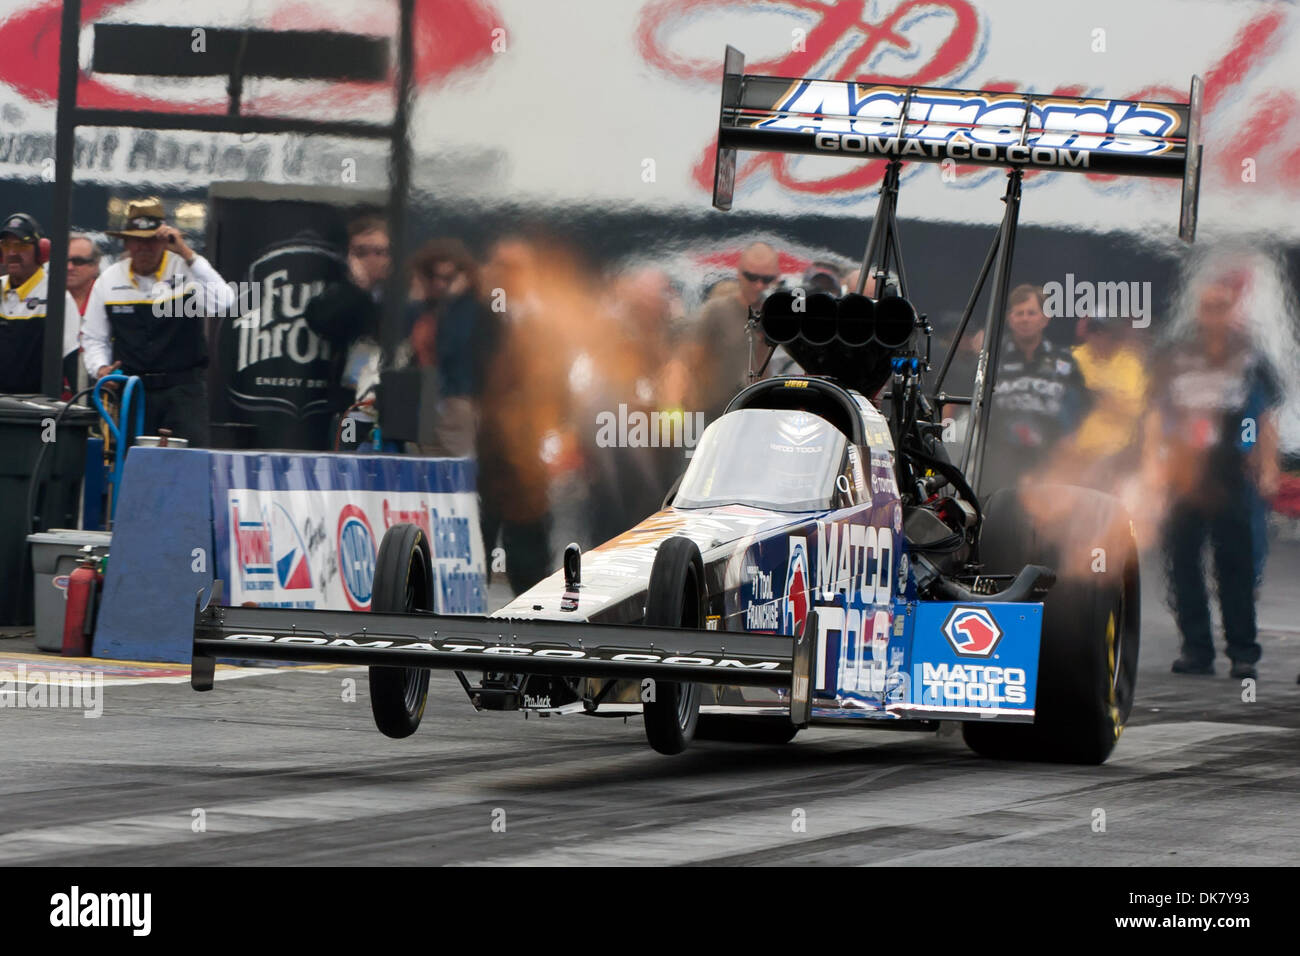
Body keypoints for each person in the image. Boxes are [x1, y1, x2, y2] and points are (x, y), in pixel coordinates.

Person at [1143, 273, 1282, 679]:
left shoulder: (1250, 356)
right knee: (1182, 563)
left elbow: (1265, 416)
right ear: (1198, 312)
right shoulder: (1175, 353)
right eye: (1208, 307)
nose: (1214, 314)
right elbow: (1155, 412)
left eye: (1222, 307)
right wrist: (1154, 463)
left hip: (1229, 471)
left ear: (1232, 312)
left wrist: (1268, 463)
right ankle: (1196, 650)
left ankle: (1243, 653)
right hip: (1184, 473)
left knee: (1235, 565)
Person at [81, 199, 232, 445]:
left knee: (188, 466)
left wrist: (187, 253)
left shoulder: (186, 270)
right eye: (137, 240)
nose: (144, 247)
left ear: (165, 241)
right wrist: (100, 369)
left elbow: (225, 302)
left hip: (184, 390)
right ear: (126, 242)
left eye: (152, 240)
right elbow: (93, 337)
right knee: (132, 466)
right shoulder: (109, 280)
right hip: (133, 389)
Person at [981, 283, 1090, 492]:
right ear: (1009, 319)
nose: (1024, 319)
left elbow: (1079, 413)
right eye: (1019, 313)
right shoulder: (991, 359)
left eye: (1031, 313)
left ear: (1045, 318)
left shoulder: (1065, 363)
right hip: (997, 466)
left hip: (1050, 465)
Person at [304, 214, 390, 444]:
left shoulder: (406, 293)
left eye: (380, 252)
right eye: (362, 252)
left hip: (394, 404)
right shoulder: (342, 293)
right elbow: (319, 320)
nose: (371, 259)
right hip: (351, 404)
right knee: (346, 467)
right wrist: (358, 287)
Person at [406, 238, 494, 457]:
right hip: (423, 395)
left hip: (454, 397)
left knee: (455, 467)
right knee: (421, 465)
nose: (440, 284)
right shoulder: (425, 309)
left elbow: (451, 344)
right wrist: (415, 299)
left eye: (448, 278)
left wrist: (454, 299)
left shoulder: (469, 309)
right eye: (434, 276)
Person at [684, 241, 780, 421]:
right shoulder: (717, 310)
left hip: (755, 415)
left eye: (766, 279)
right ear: (739, 273)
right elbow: (692, 360)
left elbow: (768, 374)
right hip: (712, 415)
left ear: (775, 277)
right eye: (751, 277)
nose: (759, 285)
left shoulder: (776, 317)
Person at [0, 212, 79, 395]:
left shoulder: (58, 299)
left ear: (41, 252)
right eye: (6, 245)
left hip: (39, 413)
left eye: (21, 245)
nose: (12, 252)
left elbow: (72, 365)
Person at [1068, 309, 1147, 487]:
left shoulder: (1130, 363)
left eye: (1104, 331)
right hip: (1076, 453)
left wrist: (1098, 395)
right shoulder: (1075, 357)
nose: (1098, 336)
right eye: (1094, 329)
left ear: (1115, 335)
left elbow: (1136, 409)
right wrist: (1107, 398)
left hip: (1116, 454)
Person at [62, 233, 101, 399]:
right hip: (53, 399)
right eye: (65, 261)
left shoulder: (107, 298)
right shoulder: (45, 298)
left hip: (98, 396)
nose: (70, 267)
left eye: (78, 261)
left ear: (95, 266)